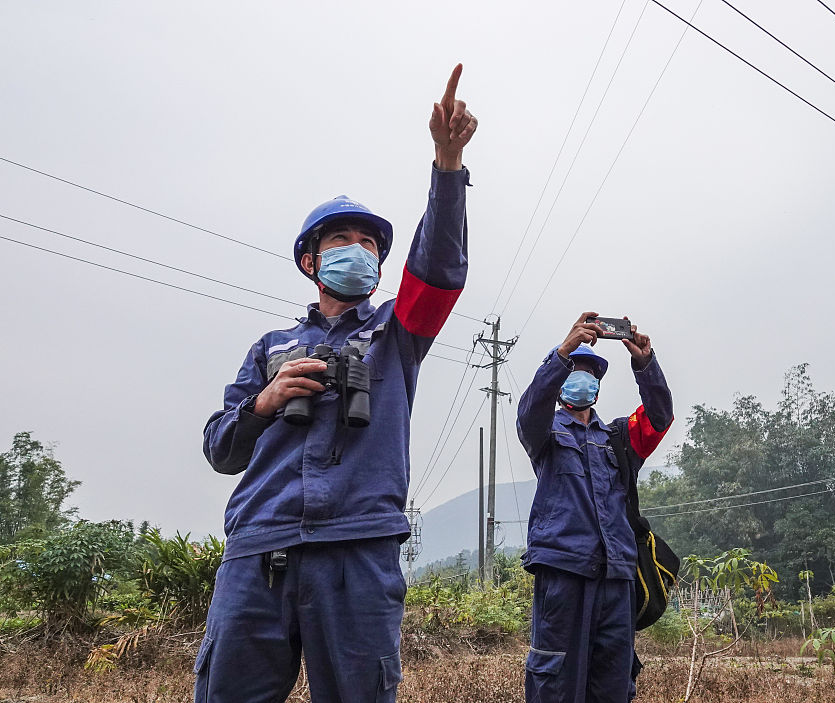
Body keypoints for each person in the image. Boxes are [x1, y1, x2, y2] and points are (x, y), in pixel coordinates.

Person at [196, 65, 477, 703]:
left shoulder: (398, 334)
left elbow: (439, 270)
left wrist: (448, 165)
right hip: (259, 548)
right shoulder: (269, 347)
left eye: (370, 245)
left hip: (357, 548)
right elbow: (220, 450)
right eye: (343, 240)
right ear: (311, 260)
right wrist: (266, 402)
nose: (360, 250)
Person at [516, 312, 674, 702]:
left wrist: (645, 364)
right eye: (574, 371)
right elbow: (530, 411)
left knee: (613, 685)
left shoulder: (618, 437)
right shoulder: (545, 433)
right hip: (564, 574)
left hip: (617, 578)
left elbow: (659, 417)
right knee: (556, 682)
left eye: (589, 374)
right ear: (559, 384)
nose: (581, 378)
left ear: (598, 388)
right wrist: (563, 352)